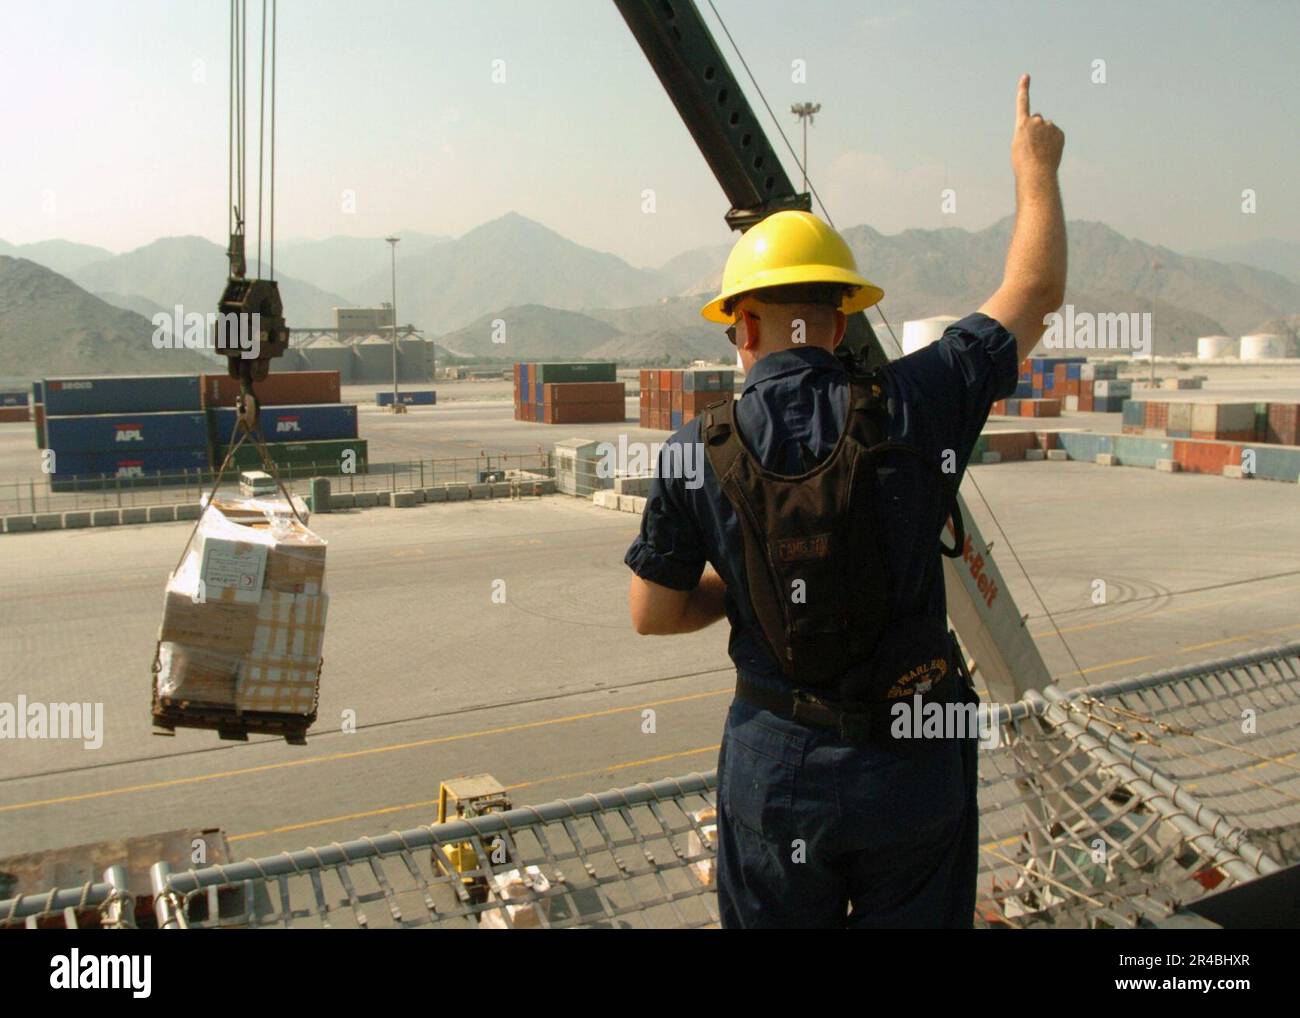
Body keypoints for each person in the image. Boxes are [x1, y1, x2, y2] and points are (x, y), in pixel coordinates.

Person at [623, 75, 1065, 928]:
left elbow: (650, 611)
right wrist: (1033, 164)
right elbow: (1036, 294)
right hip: (914, 753)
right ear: (838, 317)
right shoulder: (917, 401)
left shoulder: (694, 450)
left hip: (776, 762)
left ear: (743, 327)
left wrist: (744, 587)